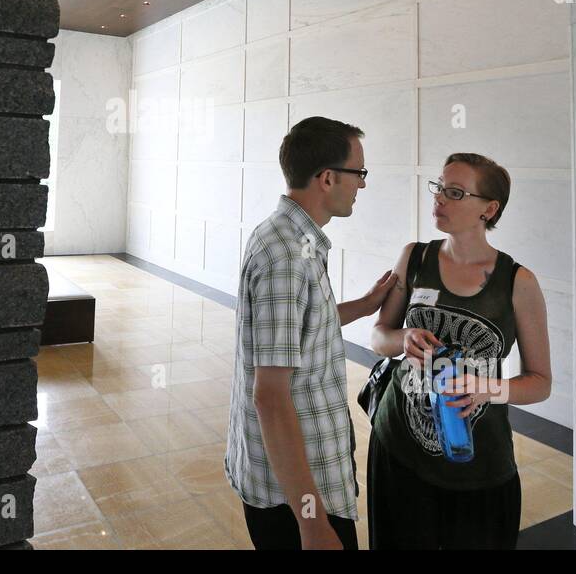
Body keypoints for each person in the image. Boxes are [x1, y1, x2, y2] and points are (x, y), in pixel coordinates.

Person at [226, 116, 399, 550]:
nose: (362, 184)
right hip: (296, 500)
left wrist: (363, 305)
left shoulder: (294, 239)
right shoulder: (287, 256)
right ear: (327, 178)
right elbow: (270, 396)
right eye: (359, 173)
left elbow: (301, 329)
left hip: (300, 483)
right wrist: (311, 522)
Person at [367, 152, 552, 549]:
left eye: (454, 192)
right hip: (398, 448)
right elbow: (379, 335)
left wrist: (488, 389)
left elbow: (540, 383)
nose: (439, 199)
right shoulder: (415, 257)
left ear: (489, 208)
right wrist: (403, 340)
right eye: (439, 187)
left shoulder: (518, 282)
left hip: (477, 463)